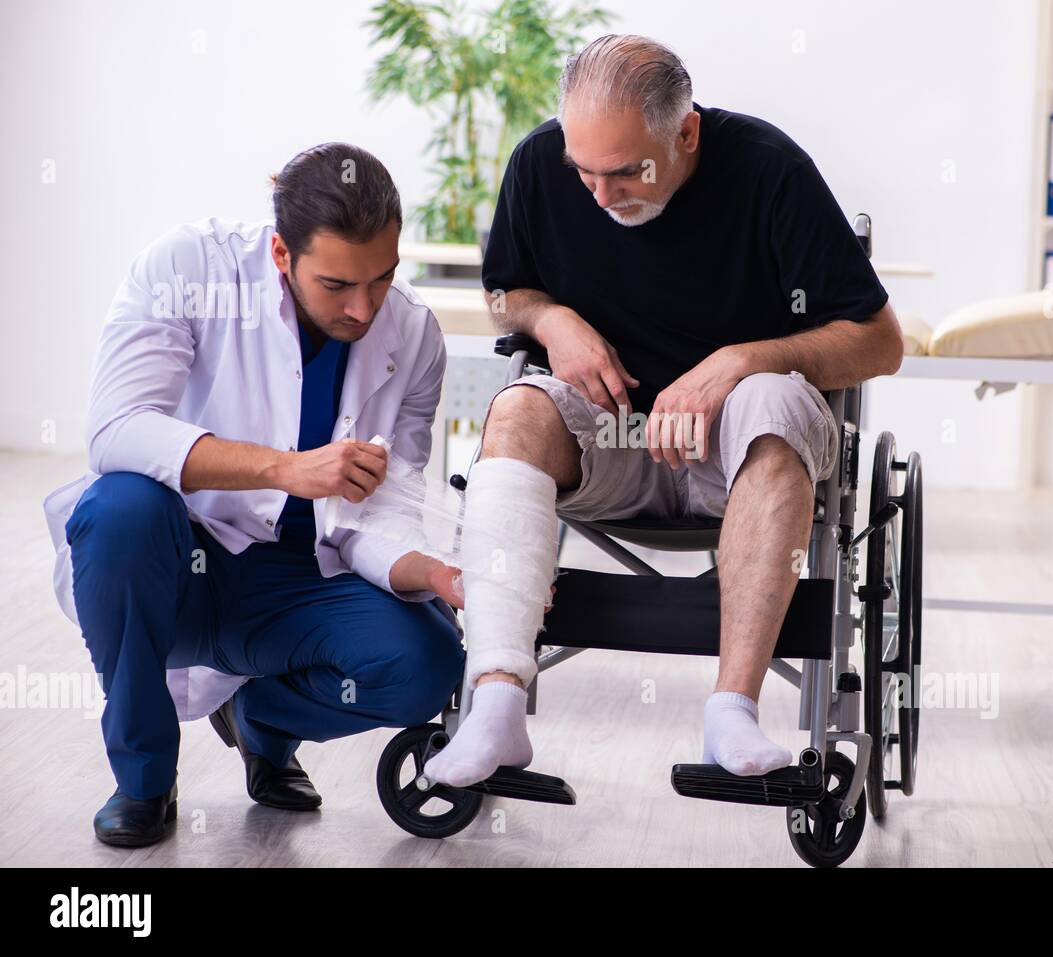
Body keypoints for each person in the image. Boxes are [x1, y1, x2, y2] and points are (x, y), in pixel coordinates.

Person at [420, 35, 902, 789]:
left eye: (623, 173)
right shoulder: (541, 165)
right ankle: (496, 707)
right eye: (584, 173)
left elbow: (880, 341)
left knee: (774, 398)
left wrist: (743, 360)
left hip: (736, 457)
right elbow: (501, 294)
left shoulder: (769, 171)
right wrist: (551, 320)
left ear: (686, 133)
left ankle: (731, 713)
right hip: (604, 441)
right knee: (513, 408)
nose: (601, 196)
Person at [43, 143, 466, 847]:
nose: (363, 308)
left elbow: (384, 505)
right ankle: (144, 778)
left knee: (426, 663)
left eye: (382, 279)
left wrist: (433, 570)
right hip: (178, 567)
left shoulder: (414, 334)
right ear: (280, 253)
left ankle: (264, 722)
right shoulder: (187, 268)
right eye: (336, 285)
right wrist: (285, 469)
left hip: (305, 582)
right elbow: (116, 430)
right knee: (119, 509)